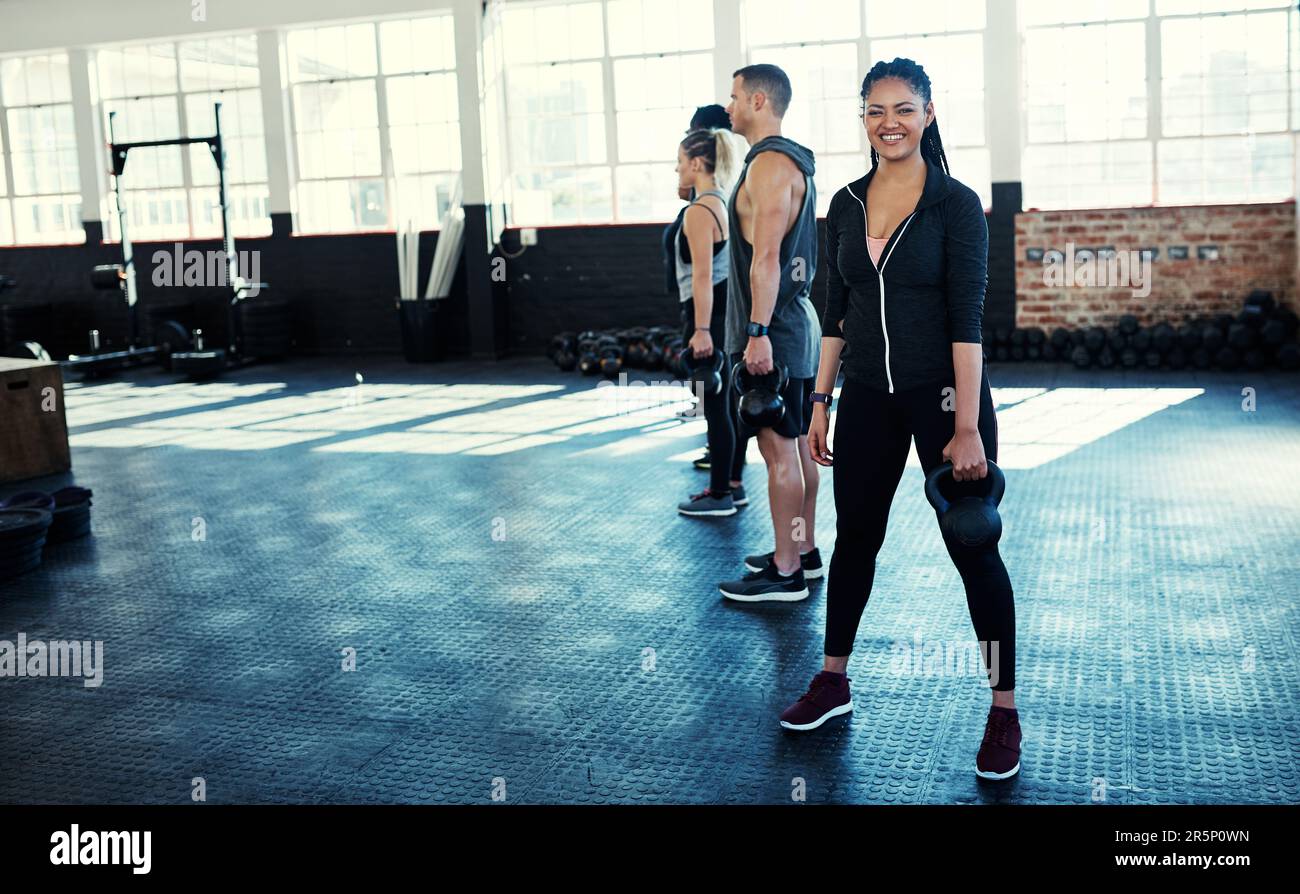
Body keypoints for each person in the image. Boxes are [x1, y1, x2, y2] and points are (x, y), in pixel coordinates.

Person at [776, 58, 1021, 782]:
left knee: (973, 541)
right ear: (864, 119)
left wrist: (968, 424)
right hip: (868, 399)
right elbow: (837, 312)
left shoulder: (956, 204)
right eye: (877, 110)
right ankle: (833, 679)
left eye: (904, 109)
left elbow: (967, 320)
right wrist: (819, 402)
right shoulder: (846, 203)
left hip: (946, 397)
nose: (890, 122)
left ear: (929, 113)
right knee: (856, 539)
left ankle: (1003, 710)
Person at [716, 64, 824, 601]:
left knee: (779, 452)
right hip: (794, 325)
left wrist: (756, 333)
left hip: (773, 331)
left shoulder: (767, 166)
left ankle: (784, 572)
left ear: (758, 101)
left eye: (734, 96)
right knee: (800, 449)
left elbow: (767, 259)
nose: (728, 106)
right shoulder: (788, 162)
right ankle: (802, 550)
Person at [674, 128, 750, 517]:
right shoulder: (724, 201)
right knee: (726, 405)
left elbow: (702, 276)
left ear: (697, 164)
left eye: (680, 163)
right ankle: (732, 486)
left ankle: (719, 493)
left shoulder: (699, 212)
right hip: (725, 314)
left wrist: (701, 330)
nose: (676, 170)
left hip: (708, 317)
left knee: (715, 407)